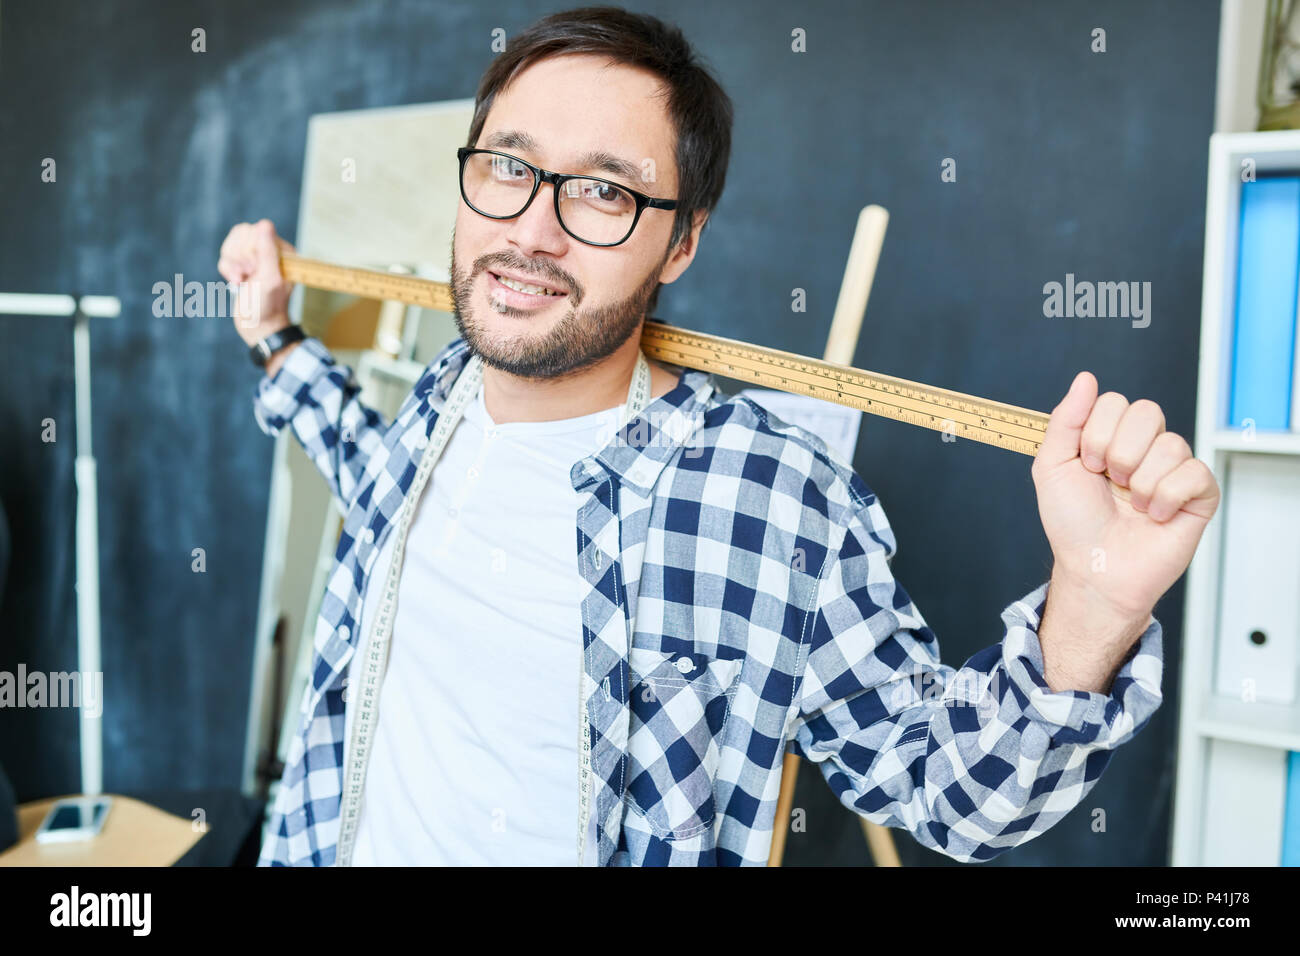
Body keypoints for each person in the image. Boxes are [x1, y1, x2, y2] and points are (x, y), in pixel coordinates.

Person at [218, 7, 1219, 867]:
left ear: (681, 241)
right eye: (509, 165)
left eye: (604, 192)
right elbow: (358, 463)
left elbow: (944, 788)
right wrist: (274, 337)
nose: (532, 228)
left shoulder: (768, 500)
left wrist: (1089, 612)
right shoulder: (436, 407)